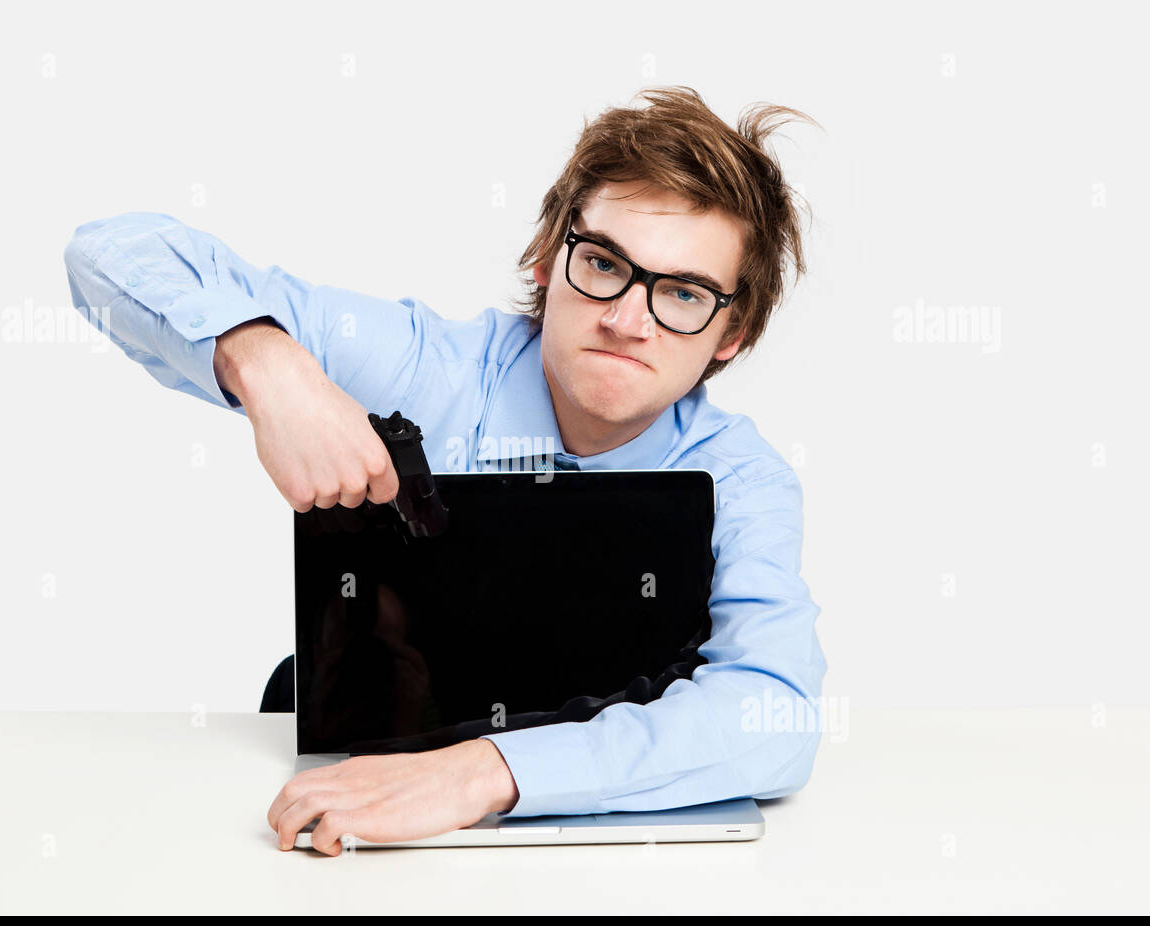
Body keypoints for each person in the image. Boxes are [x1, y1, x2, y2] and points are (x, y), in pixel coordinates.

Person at [63, 85, 827, 856]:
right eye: (602, 262)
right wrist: (263, 360)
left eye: (684, 293)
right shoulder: (429, 368)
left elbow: (775, 712)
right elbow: (109, 253)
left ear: (733, 331)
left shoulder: (743, 481)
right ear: (545, 259)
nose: (628, 321)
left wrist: (478, 774)